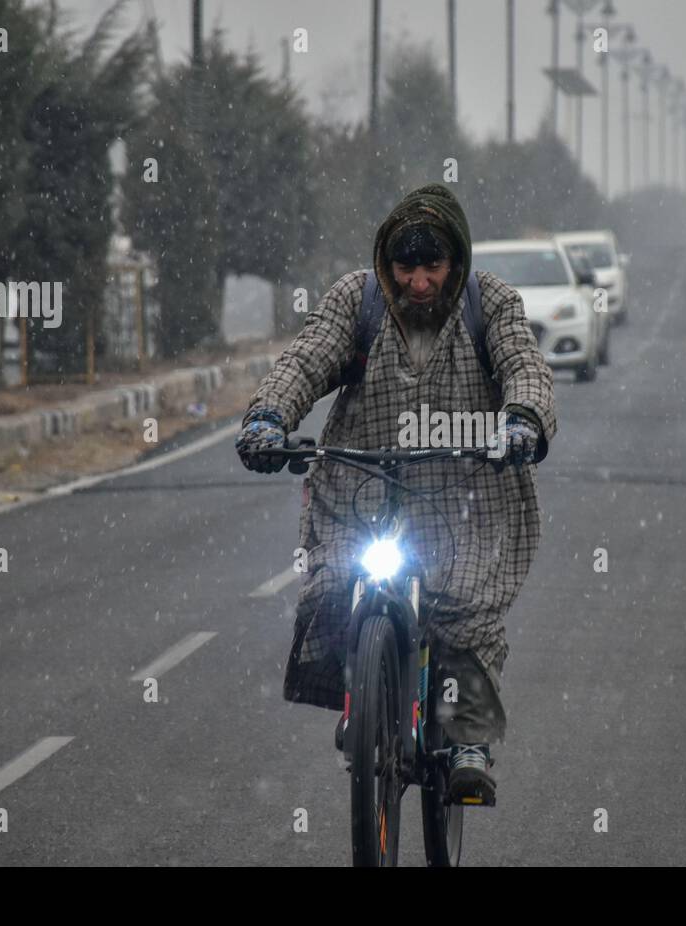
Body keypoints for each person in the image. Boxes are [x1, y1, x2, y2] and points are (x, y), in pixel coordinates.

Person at [235, 183, 557, 805]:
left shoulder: (491, 304)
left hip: (469, 489)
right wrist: (267, 418)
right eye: (404, 267)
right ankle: (366, 697)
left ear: (455, 263)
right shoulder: (355, 301)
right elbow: (306, 360)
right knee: (336, 583)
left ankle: (466, 739)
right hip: (365, 481)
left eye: (431, 267)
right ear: (386, 263)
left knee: (465, 612)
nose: (416, 282)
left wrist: (523, 419)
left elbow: (524, 364)